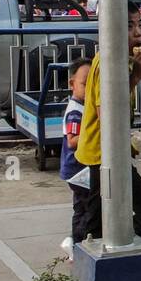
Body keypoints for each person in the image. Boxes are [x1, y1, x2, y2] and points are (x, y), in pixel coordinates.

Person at [74, 0, 141, 242]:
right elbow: (109, 116)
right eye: (128, 26)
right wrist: (135, 75)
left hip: (110, 154)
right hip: (102, 156)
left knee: (97, 222)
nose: (137, 33)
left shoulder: (120, 60)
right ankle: (111, 252)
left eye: (139, 25)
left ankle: (105, 250)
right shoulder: (108, 62)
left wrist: (135, 76)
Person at [58, 57, 92, 261]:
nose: (89, 89)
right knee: (85, 208)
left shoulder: (82, 108)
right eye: (84, 84)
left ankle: (77, 242)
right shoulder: (75, 112)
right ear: (72, 84)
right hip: (78, 171)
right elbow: (72, 141)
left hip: (81, 170)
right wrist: (96, 132)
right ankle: (75, 243)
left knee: (84, 207)